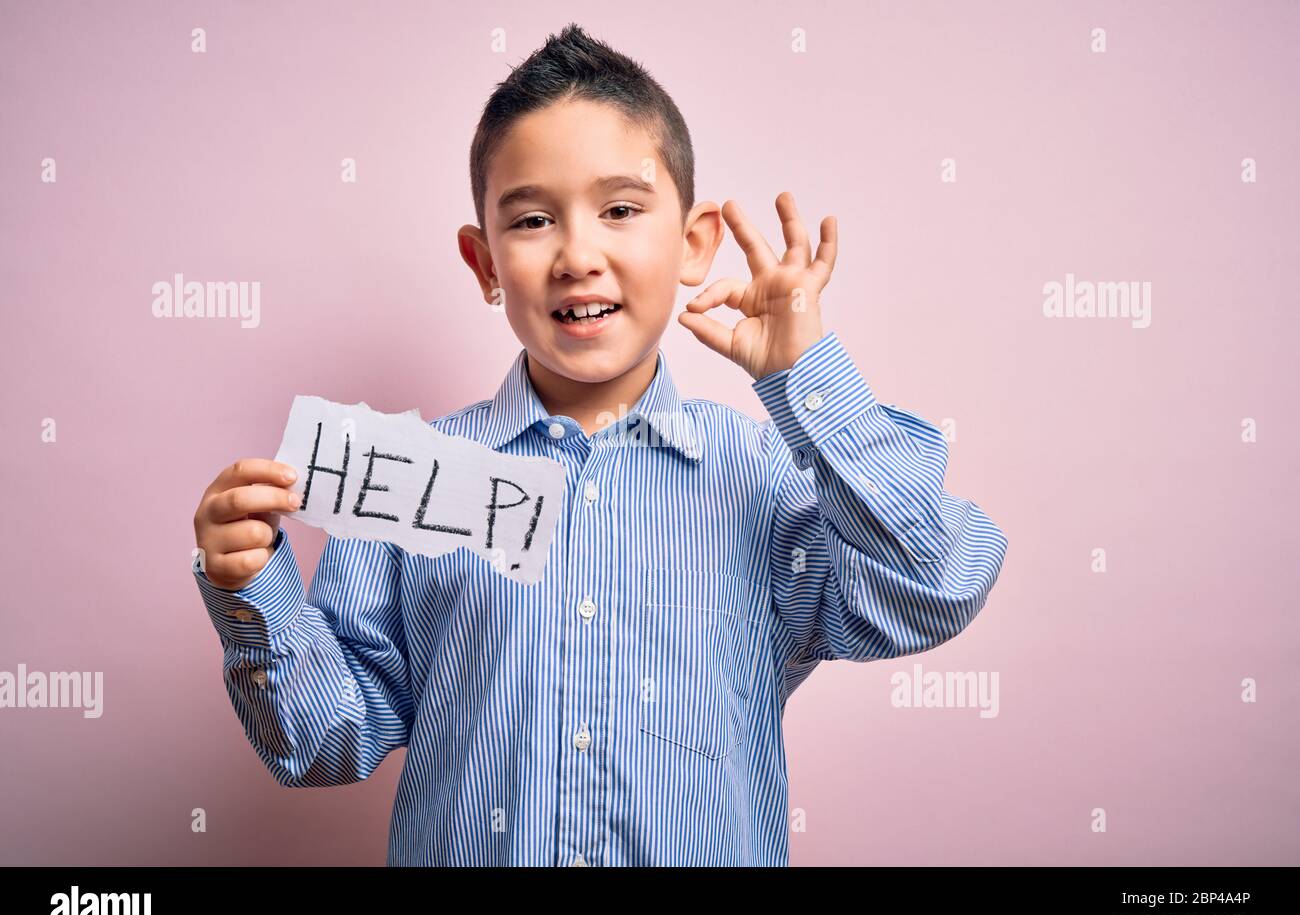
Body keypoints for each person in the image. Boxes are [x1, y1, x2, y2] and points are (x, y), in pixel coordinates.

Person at [191, 23, 1008, 866]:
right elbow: (327, 738)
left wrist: (807, 380)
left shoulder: (761, 476)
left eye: (620, 210)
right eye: (535, 220)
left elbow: (939, 579)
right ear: (484, 265)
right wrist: (253, 593)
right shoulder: (412, 480)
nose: (579, 256)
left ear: (693, 244)